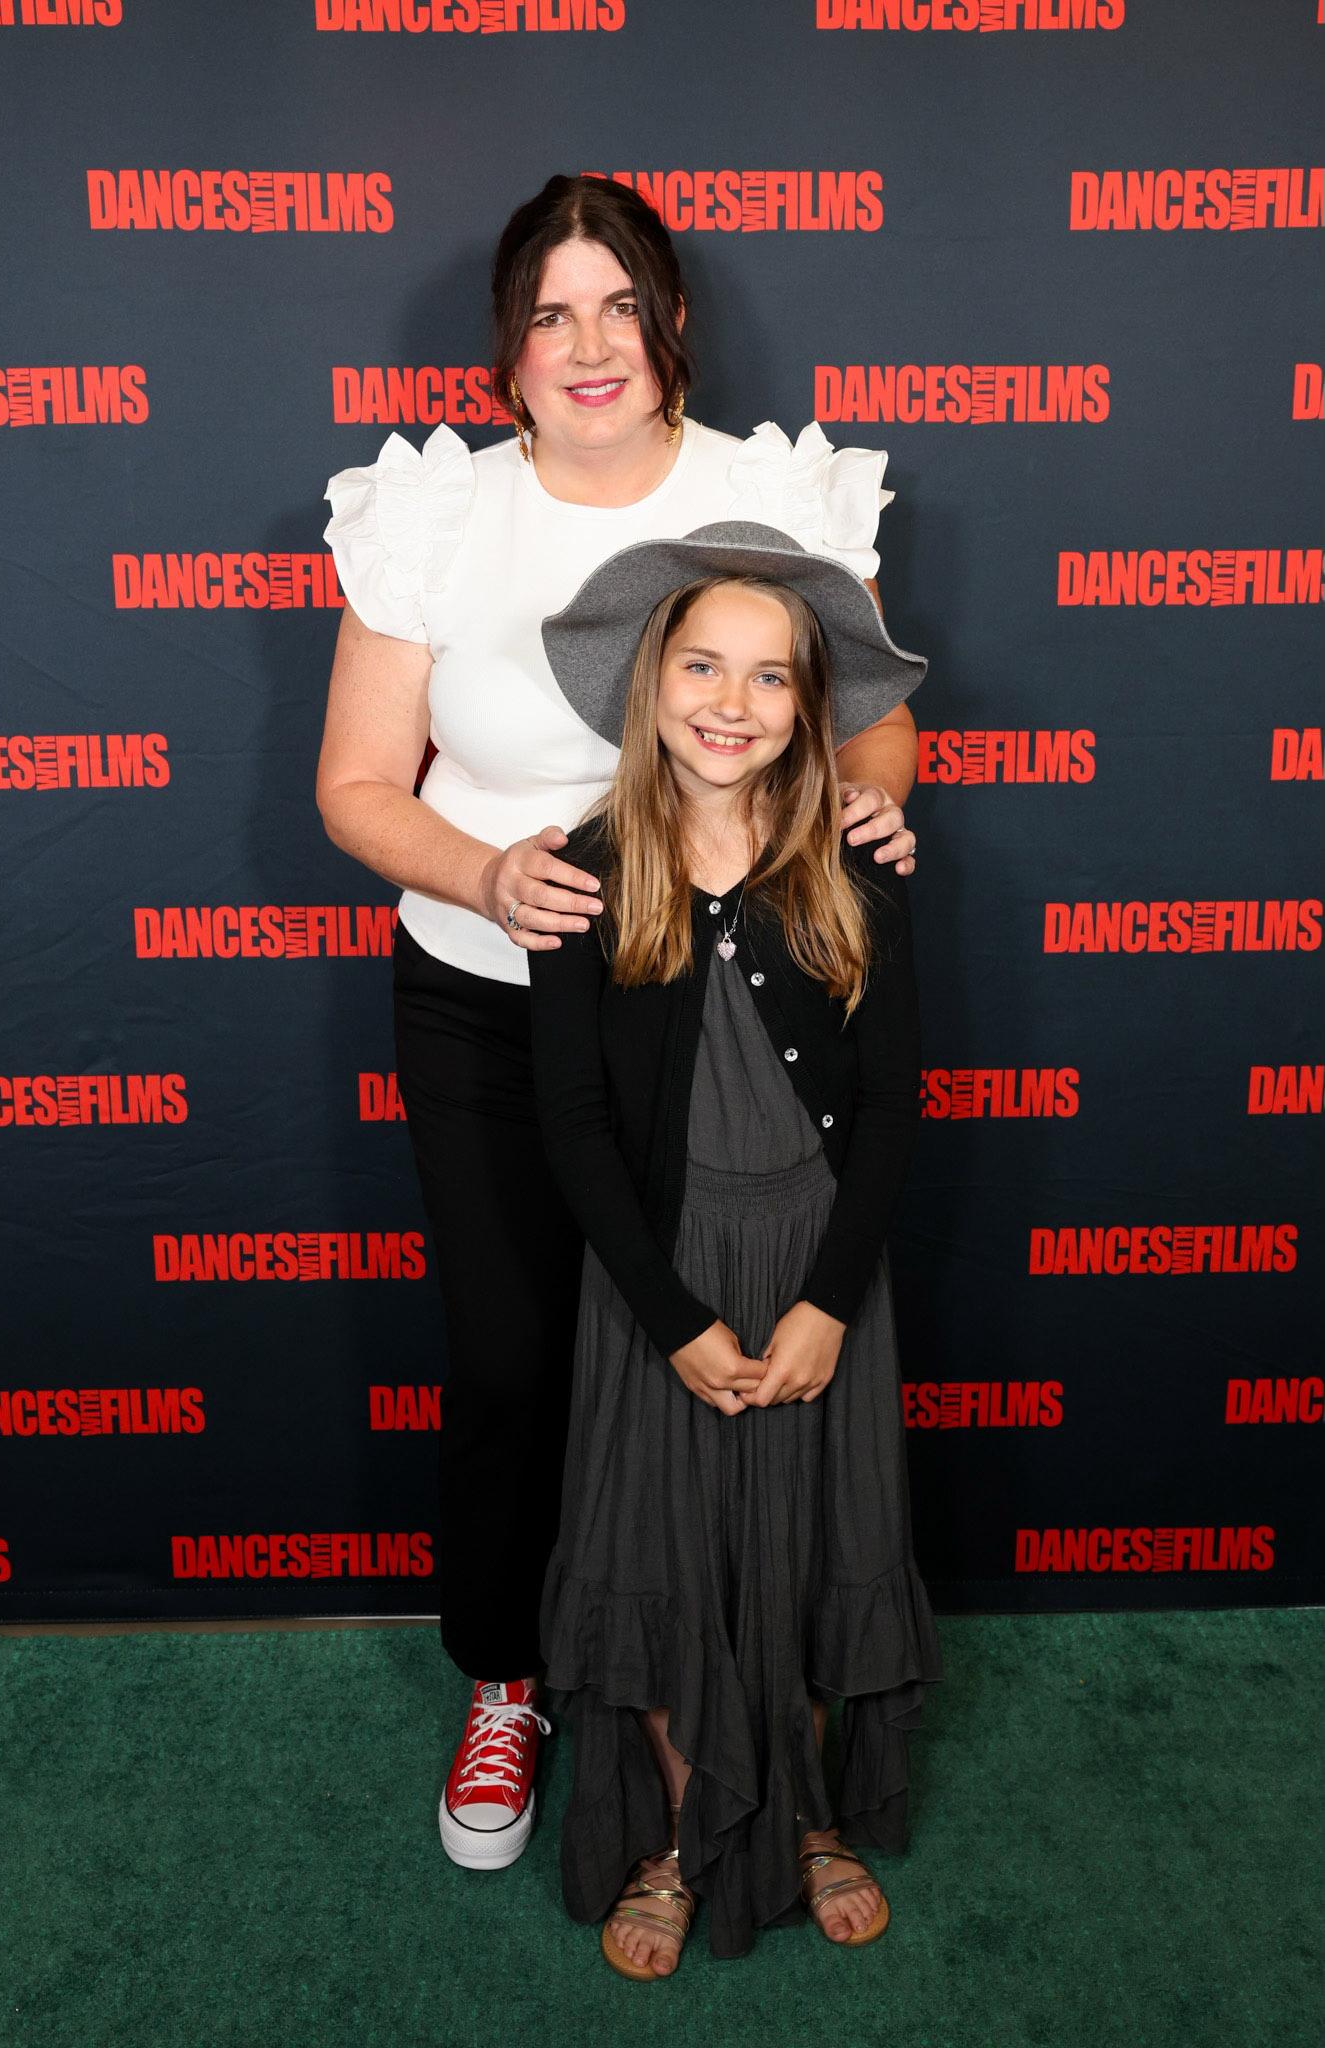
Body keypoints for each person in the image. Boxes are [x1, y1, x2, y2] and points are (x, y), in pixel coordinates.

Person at [316, 172, 924, 1872]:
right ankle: (509, 1679)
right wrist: (486, 873)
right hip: (499, 1002)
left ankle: (741, 1689)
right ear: (505, 352)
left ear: (670, 325)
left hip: (733, 1031)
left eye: (616, 306)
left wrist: (875, 807)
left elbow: (867, 720)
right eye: (546, 314)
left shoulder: (770, 493)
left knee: (720, 1356)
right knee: (519, 1361)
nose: (587, 345)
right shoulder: (436, 519)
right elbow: (355, 789)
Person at [528, 522, 943, 1971]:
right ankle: (686, 1822)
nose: (731, 699)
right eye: (702, 663)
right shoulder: (583, 873)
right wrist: (670, 1317)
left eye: (770, 677)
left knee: (813, 1539)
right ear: (650, 683)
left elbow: (893, 1104)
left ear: (807, 708)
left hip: (816, 1266)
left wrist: (831, 1300)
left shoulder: (854, 864)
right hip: (662, 1283)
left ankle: (809, 1812)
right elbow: (573, 1126)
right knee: (660, 1550)